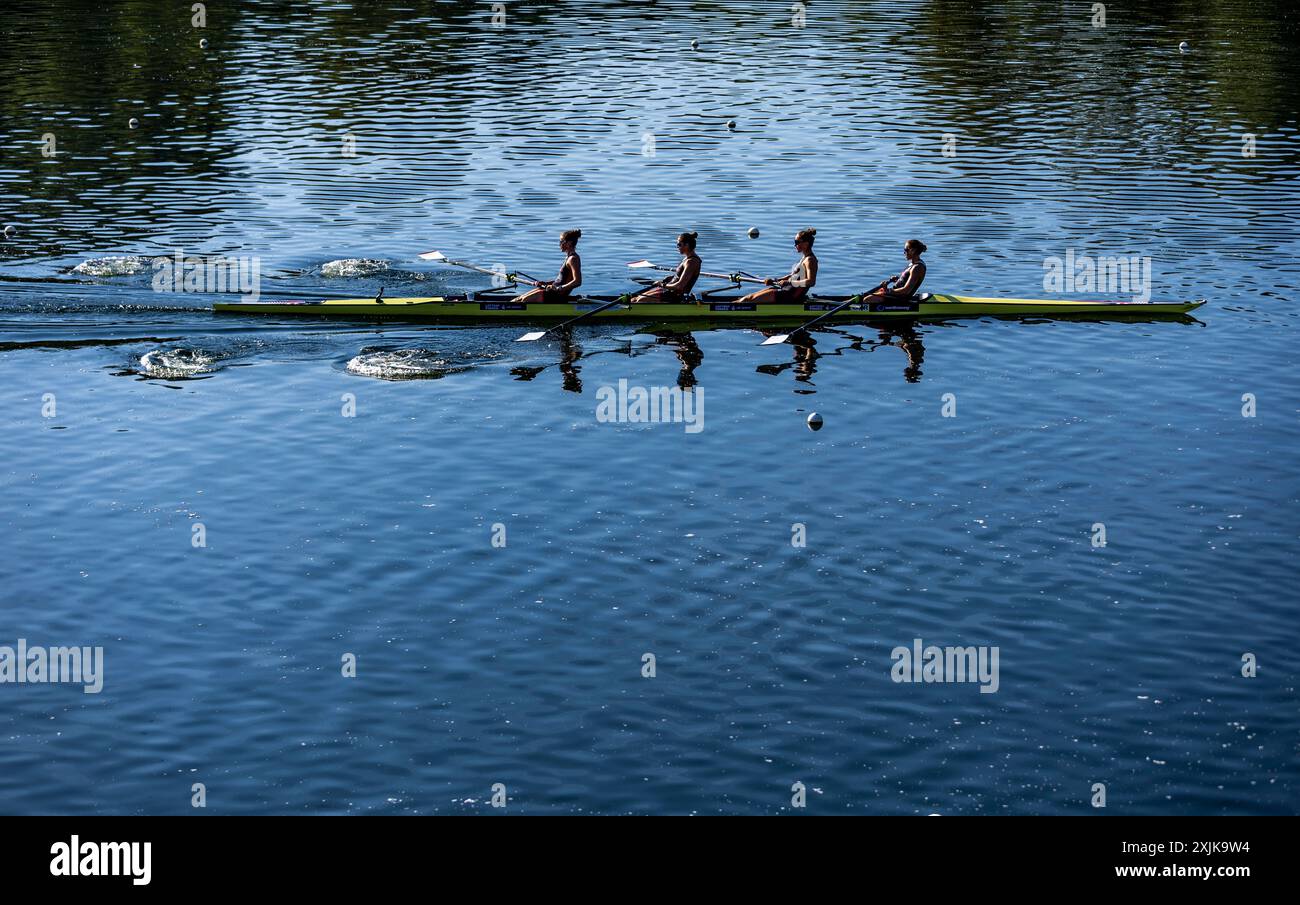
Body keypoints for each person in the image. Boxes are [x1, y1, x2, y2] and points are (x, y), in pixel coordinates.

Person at [740, 228, 818, 304]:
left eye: (797, 242)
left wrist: (788, 282)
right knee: (748, 298)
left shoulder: (810, 260)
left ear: (806, 243)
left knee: (747, 300)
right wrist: (775, 280)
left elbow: (811, 282)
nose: (795, 245)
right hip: (786, 290)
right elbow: (793, 275)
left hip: (789, 296)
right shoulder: (804, 258)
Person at [632, 232, 702, 303]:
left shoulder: (692, 262)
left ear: (686, 245)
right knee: (635, 299)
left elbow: (680, 286)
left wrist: (662, 284)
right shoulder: (687, 259)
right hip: (669, 290)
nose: (677, 247)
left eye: (679, 244)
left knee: (640, 300)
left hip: (675, 296)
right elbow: (682, 276)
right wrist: (672, 277)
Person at [516, 229, 582, 303]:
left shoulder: (573, 259)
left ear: (569, 243)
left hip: (557, 296)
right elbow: (561, 280)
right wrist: (546, 283)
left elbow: (577, 282)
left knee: (524, 301)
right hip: (552, 291)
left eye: (561, 241)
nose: (559, 244)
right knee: (519, 299)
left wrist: (559, 288)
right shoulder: (568, 257)